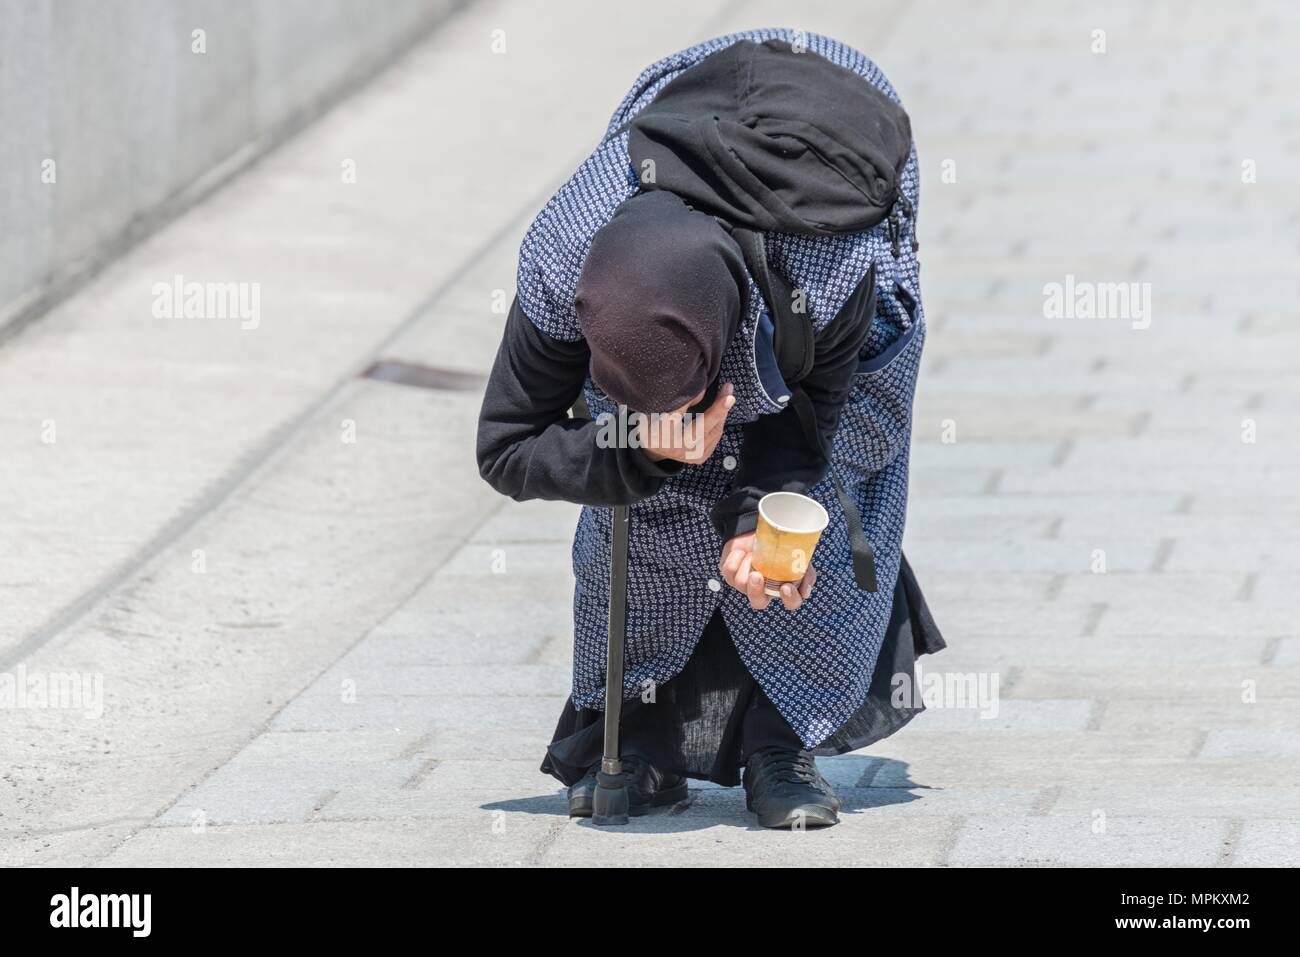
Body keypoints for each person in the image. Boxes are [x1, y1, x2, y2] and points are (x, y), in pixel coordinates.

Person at [476, 30, 944, 829]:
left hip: (840, 177)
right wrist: (633, 452)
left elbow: (811, 420)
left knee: (814, 508)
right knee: (658, 508)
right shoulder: (562, 257)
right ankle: (642, 731)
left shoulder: (830, 264)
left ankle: (780, 740)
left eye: (685, 398)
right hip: (709, 144)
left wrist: (761, 504)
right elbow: (507, 447)